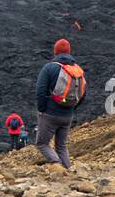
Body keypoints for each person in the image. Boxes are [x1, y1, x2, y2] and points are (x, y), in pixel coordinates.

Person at [34, 38, 85, 170]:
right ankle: (68, 170)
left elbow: (40, 91)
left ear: (55, 52)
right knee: (61, 146)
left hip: (50, 114)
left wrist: (42, 110)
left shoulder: (49, 68)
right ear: (69, 52)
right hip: (68, 115)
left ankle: (56, 164)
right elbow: (83, 93)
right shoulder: (77, 70)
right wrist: (72, 108)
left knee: (42, 143)